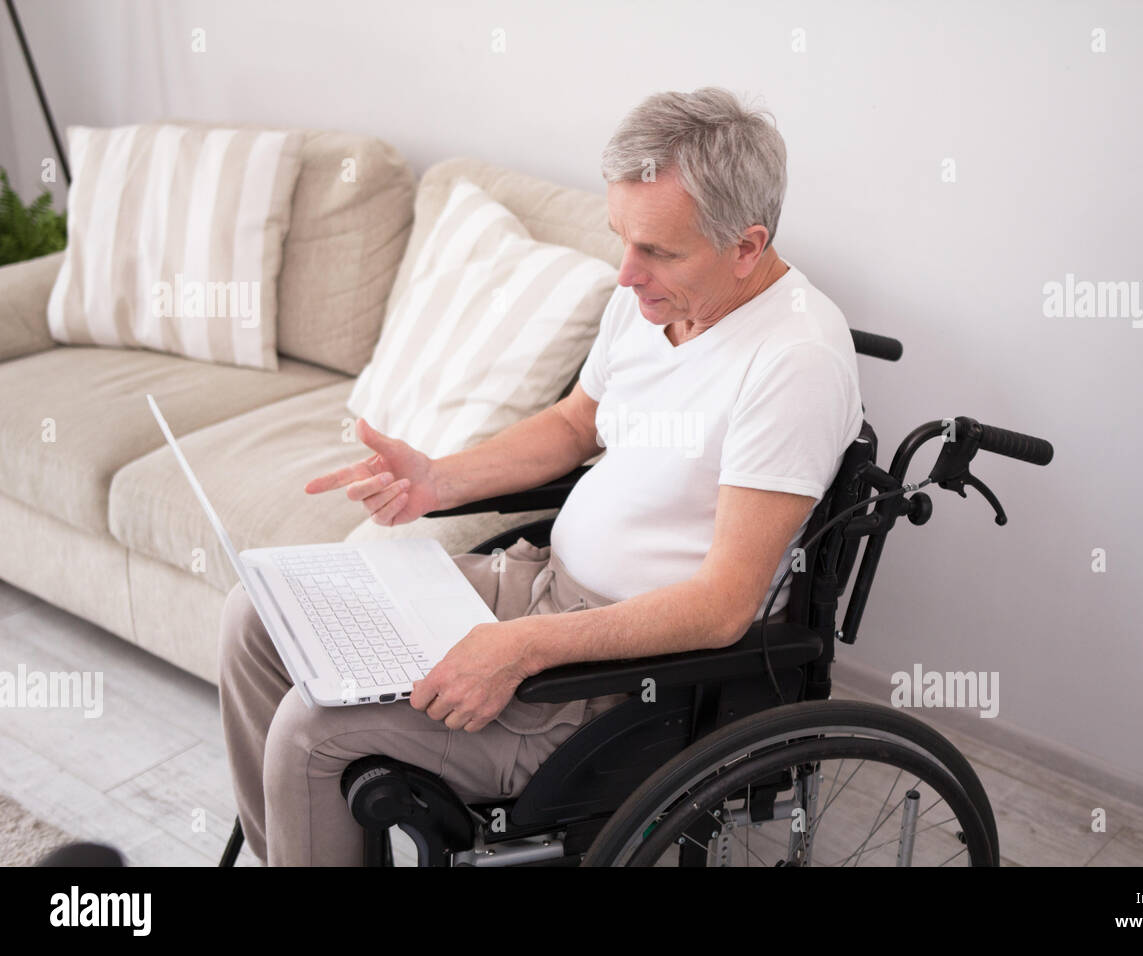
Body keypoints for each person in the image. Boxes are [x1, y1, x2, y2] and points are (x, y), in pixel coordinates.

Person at [218, 86, 864, 865]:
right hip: (539, 591)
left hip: (624, 682)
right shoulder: (653, 299)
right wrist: (436, 480)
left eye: (656, 250)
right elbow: (572, 425)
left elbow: (725, 607)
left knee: (311, 732)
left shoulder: (795, 362)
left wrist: (525, 648)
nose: (626, 273)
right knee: (254, 617)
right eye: (621, 237)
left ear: (747, 246)